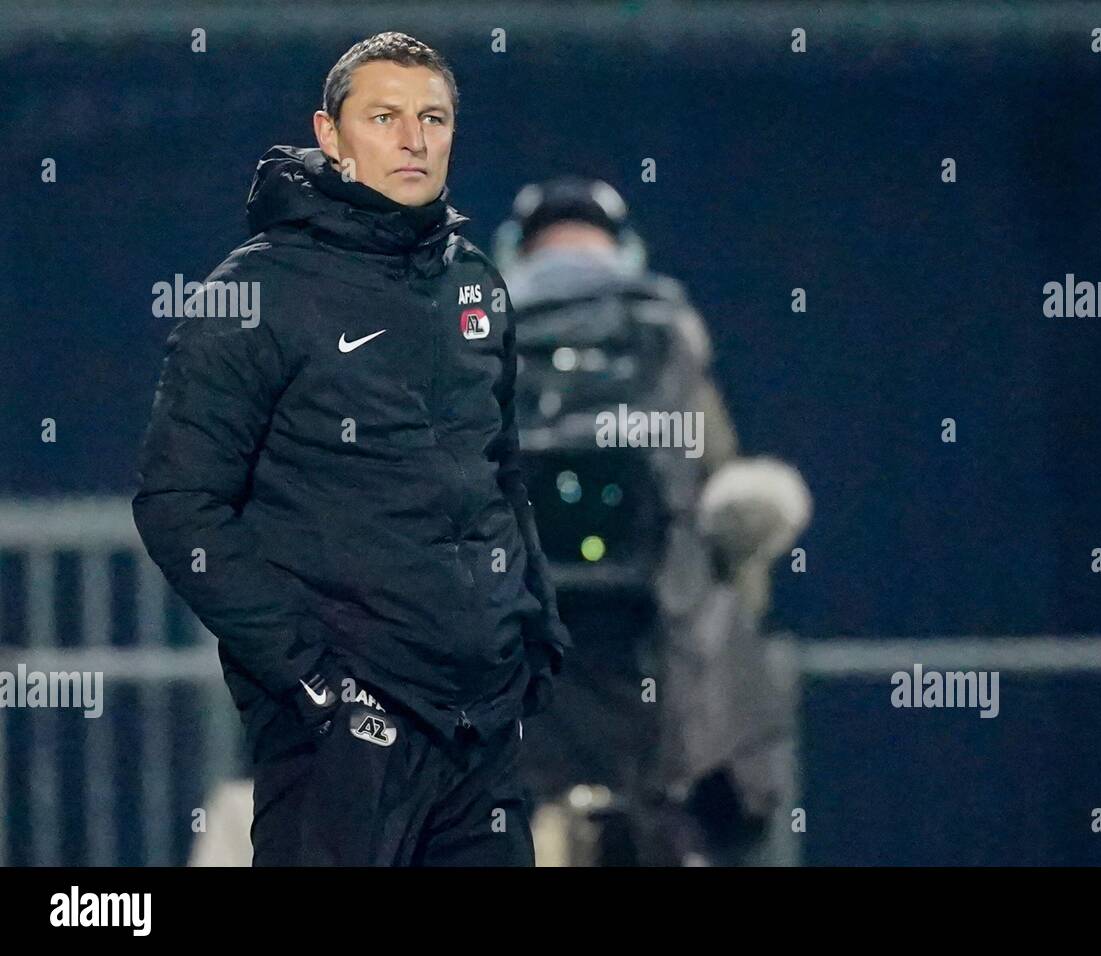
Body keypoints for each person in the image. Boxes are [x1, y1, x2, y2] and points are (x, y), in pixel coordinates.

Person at [132, 32, 571, 866]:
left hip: (482, 733)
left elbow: (500, 470)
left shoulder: (474, 282)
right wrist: (314, 683)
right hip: (343, 741)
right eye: (385, 116)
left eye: (433, 117)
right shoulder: (253, 294)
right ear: (330, 136)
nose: (414, 138)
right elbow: (177, 504)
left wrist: (535, 637)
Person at [494, 178, 810, 864]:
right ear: (623, 247)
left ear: (516, 250)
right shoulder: (665, 338)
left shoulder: (473, 337)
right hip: (655, 673)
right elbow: (719, 499)